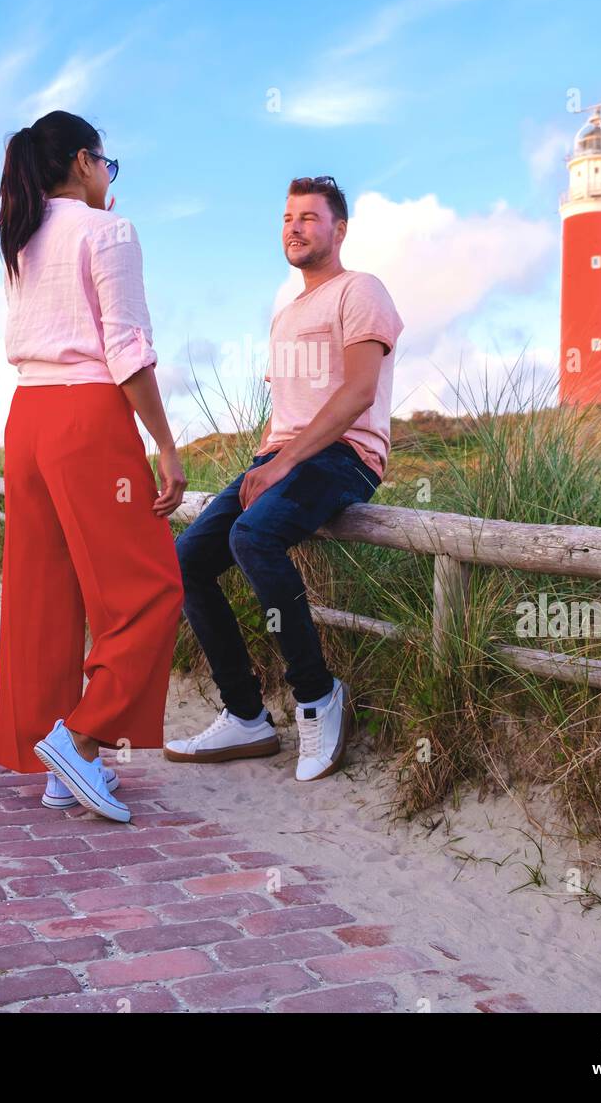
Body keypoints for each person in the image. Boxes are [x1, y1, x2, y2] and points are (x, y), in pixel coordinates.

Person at [166, 175, 403, 781]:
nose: (294, 227)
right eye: (287, 217)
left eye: (309, 217)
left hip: (343, 456)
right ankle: (245, 715)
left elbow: (357, 392)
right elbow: (290, 410)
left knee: (252, 538)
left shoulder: (361, 290)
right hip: (282, 457)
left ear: (339, 229)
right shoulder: (286, 312)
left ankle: (317, 695)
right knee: (187, 559)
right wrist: (268, 460)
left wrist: (287, 462)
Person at [0, 109, 186, 822]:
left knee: (46, 598)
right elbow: (127, 349)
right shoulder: (109, 231)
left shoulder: (21, 237)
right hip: (86, 420)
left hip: (27, 423)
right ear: (82, 162)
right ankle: (79, 740)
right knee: (150, 590)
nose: (110, 178)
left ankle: (56, 767)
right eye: (107, 164)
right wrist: (166, 445)